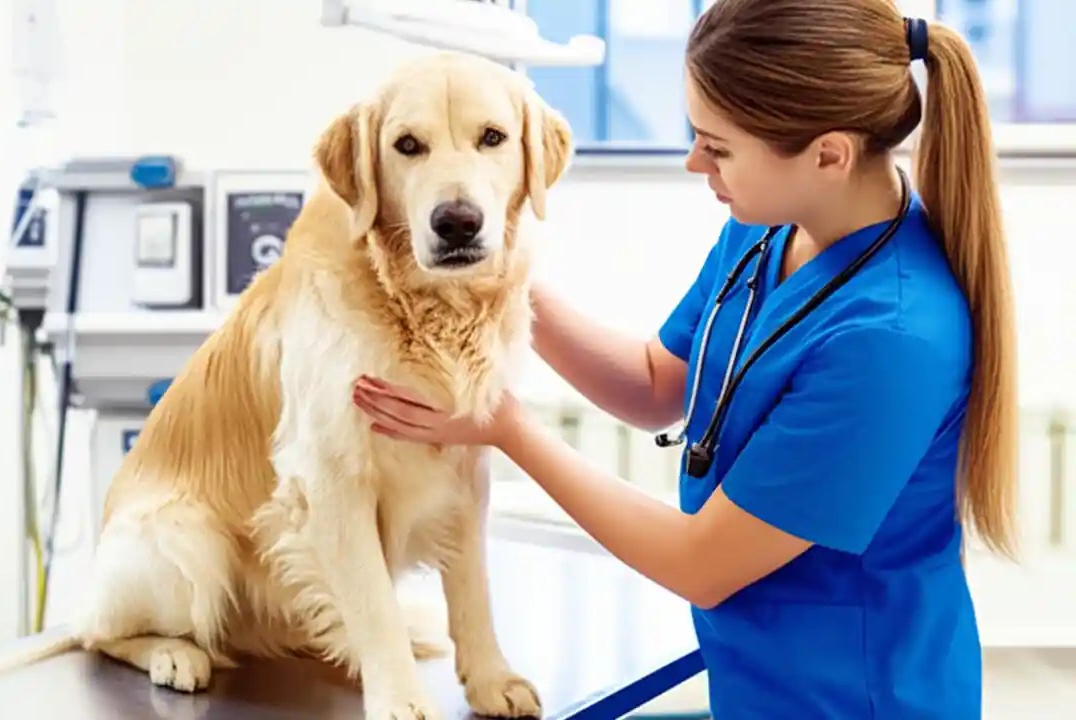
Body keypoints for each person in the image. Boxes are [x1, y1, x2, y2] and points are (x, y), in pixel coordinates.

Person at [351, 0, 1018, 718]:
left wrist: (506, 427)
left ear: (829, 154)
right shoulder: (772, 229)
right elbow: (654, 384)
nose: (695, 161)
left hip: (855, 697)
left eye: (718, 147)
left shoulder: (891, 340)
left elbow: (702, 564)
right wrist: (492, 273)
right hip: (755, 681)